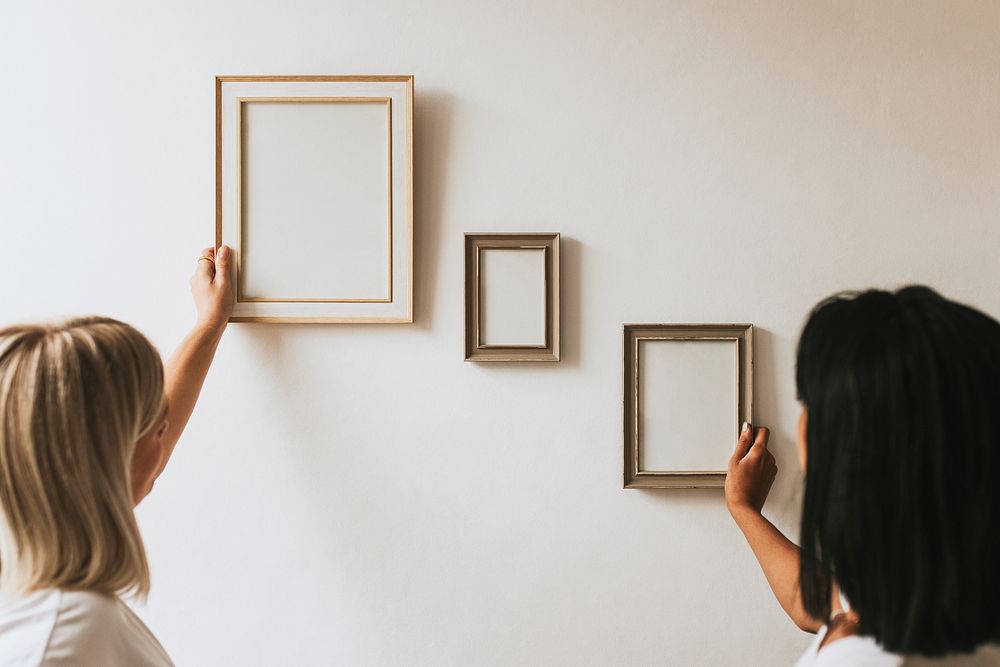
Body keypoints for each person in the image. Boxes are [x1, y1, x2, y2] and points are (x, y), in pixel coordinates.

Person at [725, 286, 1000, 666]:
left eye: (809, 404)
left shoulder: (864, 655)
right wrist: (744, 509)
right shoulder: (939, 594)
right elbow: (817, 601)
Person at [0, 246, 233, 666]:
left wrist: (209, 324)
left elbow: (145, 451)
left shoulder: (36, 582)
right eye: (156, 428)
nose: (164, 438)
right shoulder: (60, 643)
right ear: (108, 462)